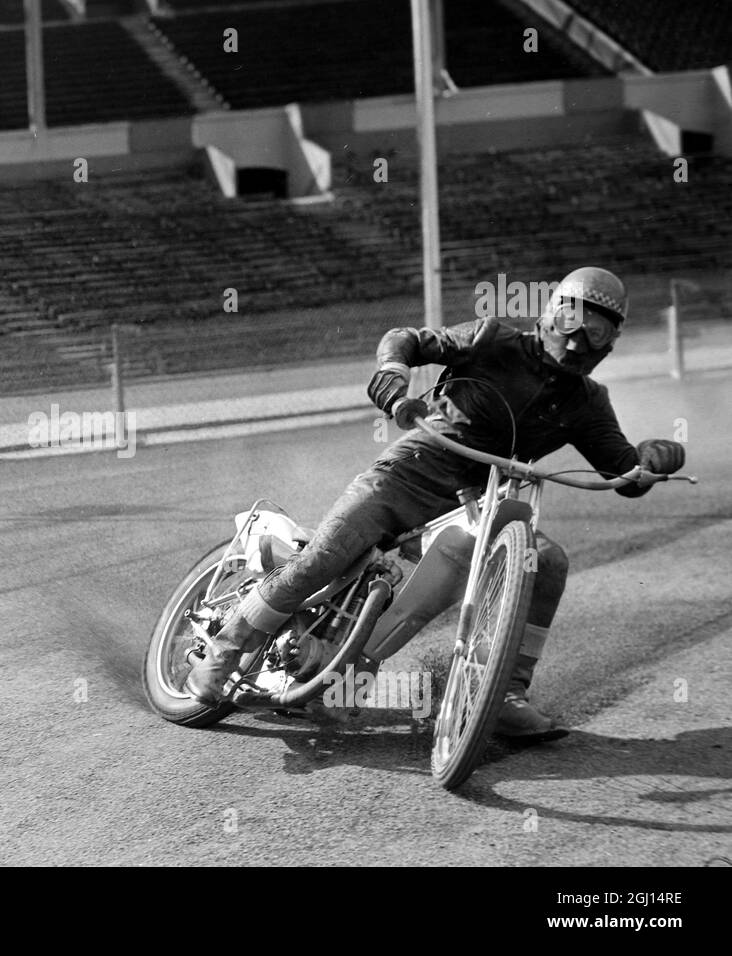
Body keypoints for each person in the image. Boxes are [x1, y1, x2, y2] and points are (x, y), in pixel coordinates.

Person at [185, 267, 686, 740]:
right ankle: (227, 646)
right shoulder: (493, 338)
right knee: (327, 552)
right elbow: (407, 339)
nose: (577, 339)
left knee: (548, 561)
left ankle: (505, 693)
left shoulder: (588, 402)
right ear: (548, 313)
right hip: (406, 477)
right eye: (570, 320)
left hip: (478, 506)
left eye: (595, 331)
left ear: (611, 343)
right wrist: (392, 373)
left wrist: (654, 456)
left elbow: (623, 475)